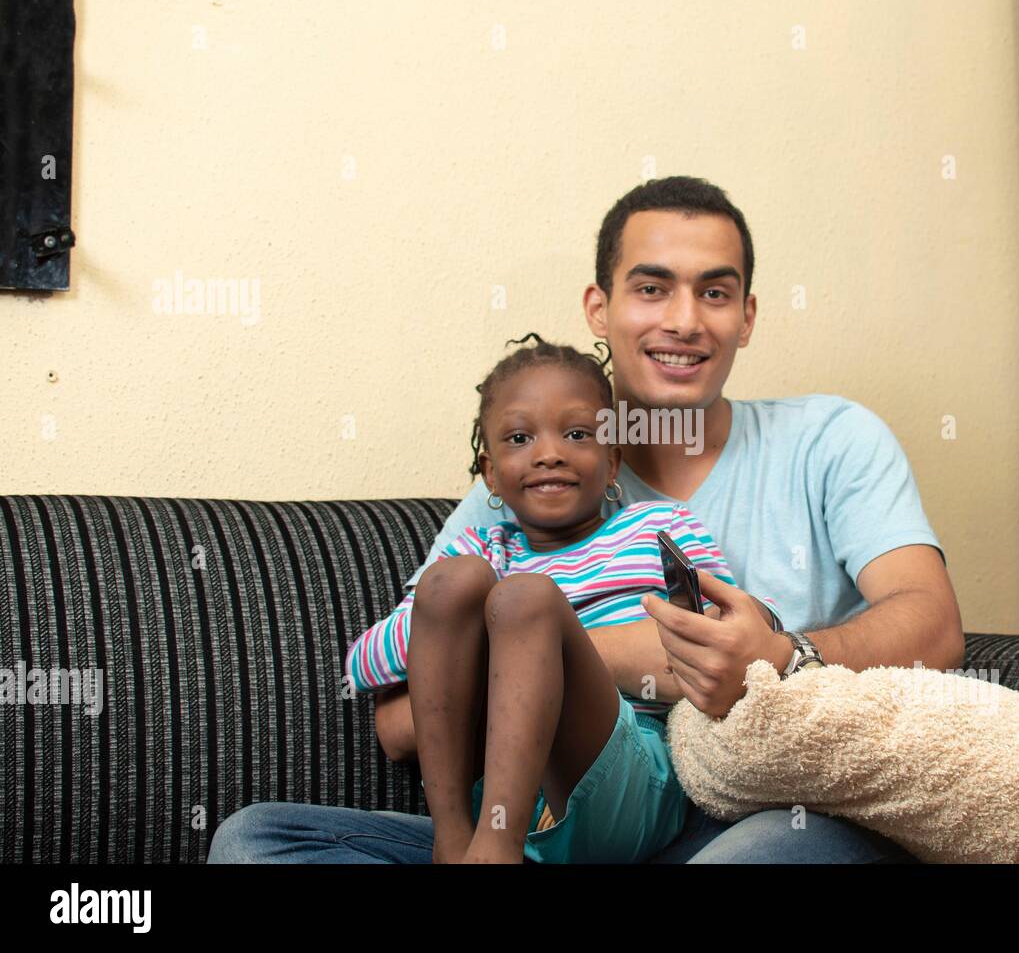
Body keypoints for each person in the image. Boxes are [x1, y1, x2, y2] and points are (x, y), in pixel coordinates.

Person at [208, 175, 964, 863]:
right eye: (652, 288)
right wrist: (576, 660)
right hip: (531, 822)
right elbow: (401, 723)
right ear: (599, 309)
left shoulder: (831, 439)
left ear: (748, 317)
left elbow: (933, 627)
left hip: (739, 817)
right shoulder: (520, 492)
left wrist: (775, 654)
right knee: (254, 844)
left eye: (715, 292)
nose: (684, 320)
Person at [344, 333, 780, 863]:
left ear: (613, 460)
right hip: (493, 801)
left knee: (524, 601)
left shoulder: (659, 525)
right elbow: (363, 666)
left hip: (629, 776)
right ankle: (452, 840)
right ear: (491, 475)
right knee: (453, 582)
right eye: (519, 438)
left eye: (576, 433)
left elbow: (728, 631)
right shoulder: (480, 548)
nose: (549, 454)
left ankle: (496, 854)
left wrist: (519, 641)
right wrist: (465, 619)